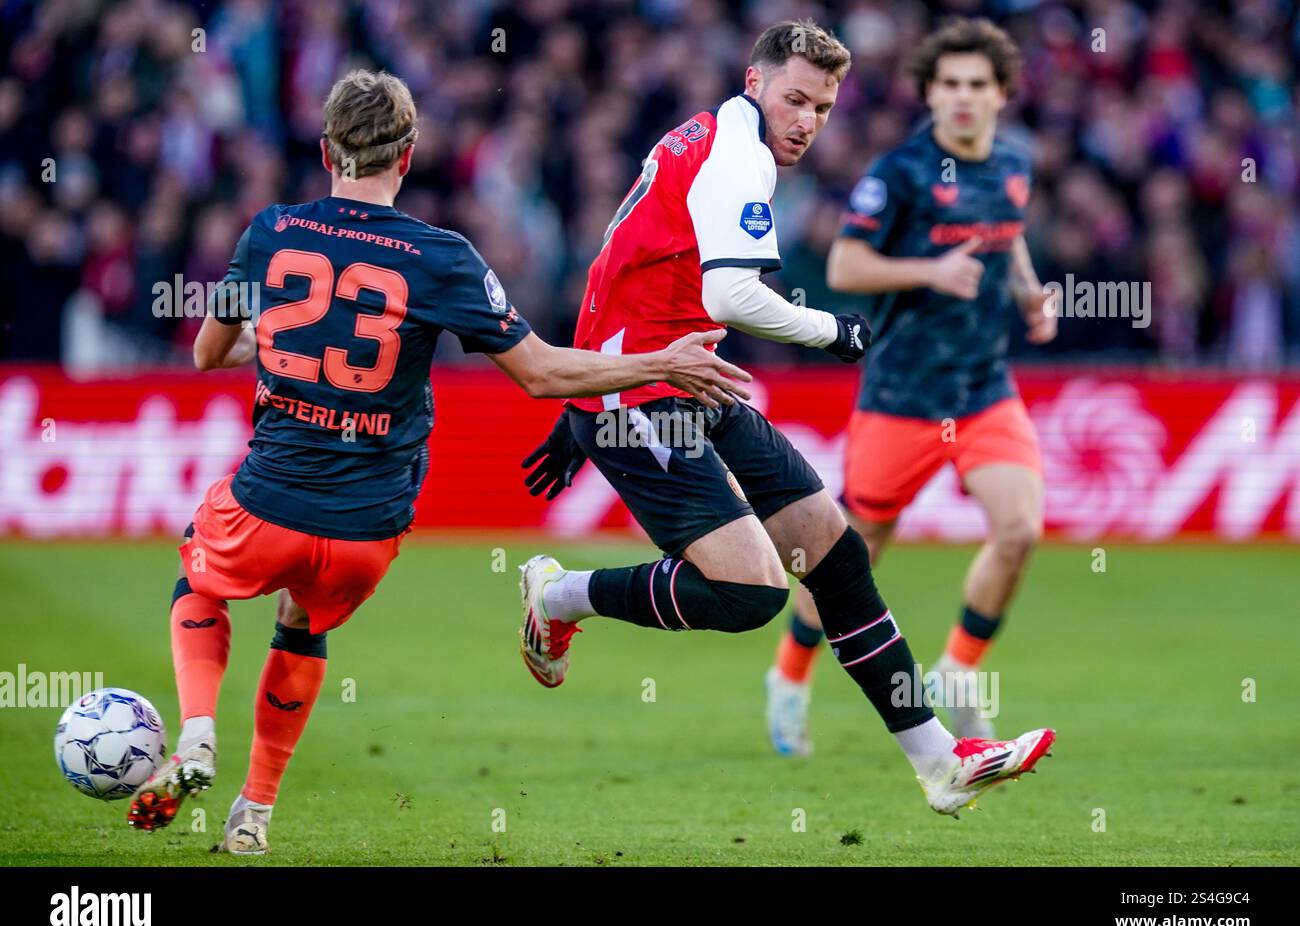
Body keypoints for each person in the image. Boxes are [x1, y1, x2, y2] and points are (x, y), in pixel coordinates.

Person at [127, 69, 752, 855]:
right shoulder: (441, 256)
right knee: (301, 622)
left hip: (267, 504)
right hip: (367, 534)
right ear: (410, 157)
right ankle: (253, 812)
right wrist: (659, 362)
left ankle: (196, 735)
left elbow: (207, 352)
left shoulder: (271, 230)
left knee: (198, 580)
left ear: (326, 150)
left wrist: (282, 342)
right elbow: (544, 375)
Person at [518, 20, 1054, 818]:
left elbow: (619, 247)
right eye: (795, 99)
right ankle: (559, 596)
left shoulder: (704, 137)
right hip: (642, 395)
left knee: (835, 562)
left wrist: (587, 371)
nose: (806, 120)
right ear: (755, 81)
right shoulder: (739, 156)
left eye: (824, 108)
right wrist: (832, 331)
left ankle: (940, 761)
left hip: (683, 376)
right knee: (750, 594)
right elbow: (732, 296)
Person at [764, 18, 1059, 757]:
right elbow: (844, 269)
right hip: (901, 396)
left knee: (1020, 528)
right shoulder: (897, 174)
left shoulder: (1014, 167)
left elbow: (1008, 231)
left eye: (977, 86)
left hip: (984, 388)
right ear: (929, 94)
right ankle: (790, 677)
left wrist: (1029, 294)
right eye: (949, 85)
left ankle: (958, 671)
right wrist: (928, 271)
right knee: (849, 559)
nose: (962, 98)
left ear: (1000, 95)